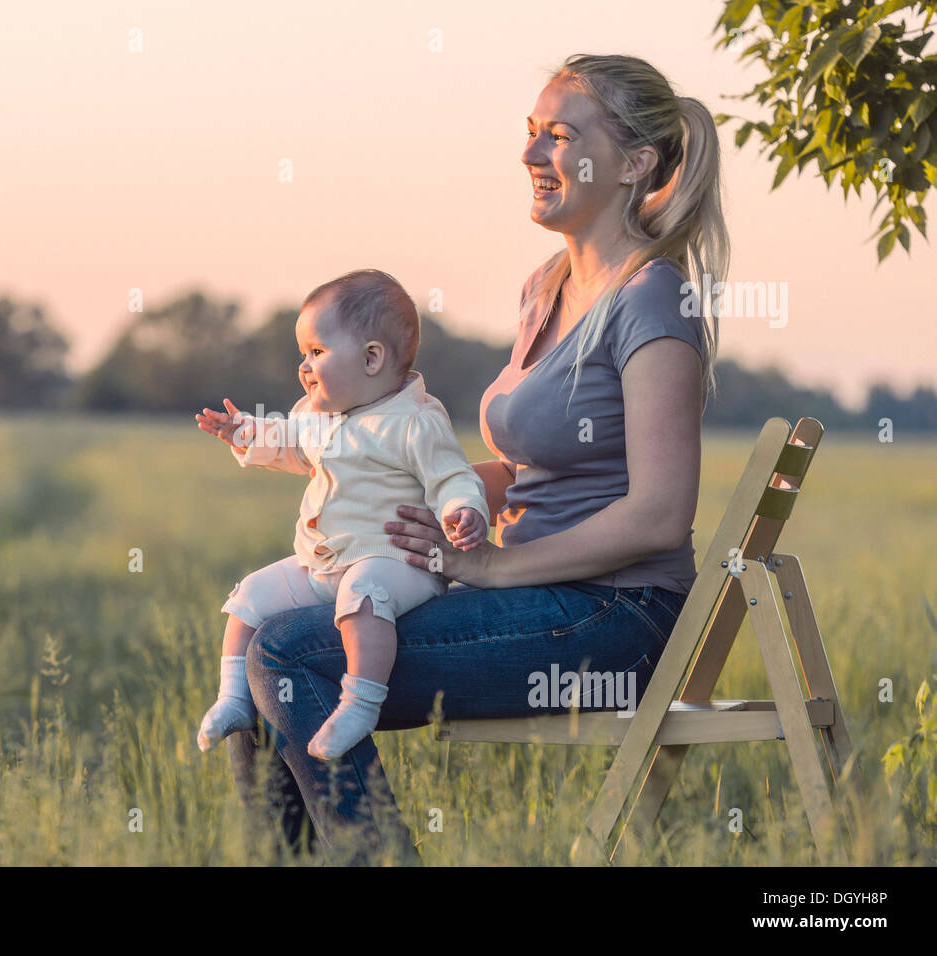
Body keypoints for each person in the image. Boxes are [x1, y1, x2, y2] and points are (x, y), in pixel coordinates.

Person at [226, 52, 729, 865]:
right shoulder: (547, 286)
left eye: (558, 136)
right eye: (530, 134)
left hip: (616, 619)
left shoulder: (653, 298)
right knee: (264, 639)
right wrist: (434, 500)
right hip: (546, 596)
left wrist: (490, 568)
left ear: (635, 163)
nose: (531, 156)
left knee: (286, 653)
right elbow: (533, 469)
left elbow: (660, 512)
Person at [194, 269, 490, 761]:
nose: (303, 367)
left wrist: (463, 509)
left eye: (317, 352)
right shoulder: (317, 415)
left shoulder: (414, 421)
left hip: (396, 563)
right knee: (250, 596)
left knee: (363, 595)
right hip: (324, 562)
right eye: (303, 354)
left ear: (372, 358)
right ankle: (233, 697)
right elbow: (288, 441)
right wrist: (243, 432)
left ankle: (360, 702)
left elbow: (453, 476)